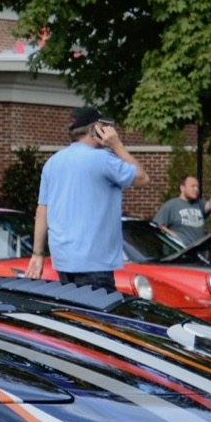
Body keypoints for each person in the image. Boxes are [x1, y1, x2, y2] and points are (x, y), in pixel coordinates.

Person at [26, 105, 147, 290]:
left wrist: (37, 254)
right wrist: (117, 145)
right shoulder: (104, 160)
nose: (108, 131)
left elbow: (42, 211)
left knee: (74, 316)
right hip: (95, 263)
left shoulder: (53, 162)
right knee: (97, 318)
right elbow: (142, 178)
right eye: (103, 126)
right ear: (93, 130)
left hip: (63, 262)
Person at [153, 175, 211, 246]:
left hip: (198, 253)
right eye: (193, 186)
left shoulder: (199, 203)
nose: (196, 189)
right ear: (182, 188)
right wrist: (173, 236)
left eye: (197, 187)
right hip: (179, 252)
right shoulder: (171, 205)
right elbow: (157, 225)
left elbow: (208, 206)